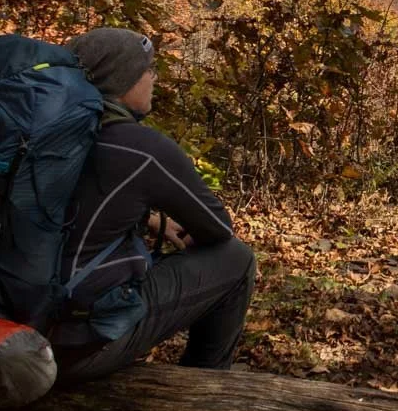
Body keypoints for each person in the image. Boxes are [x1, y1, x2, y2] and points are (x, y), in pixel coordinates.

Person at [50, 27, 254, 382]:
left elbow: (61, 207)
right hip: (76, 347)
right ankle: (205, 388)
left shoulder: (47, 134)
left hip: (9, 329)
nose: (153, 78)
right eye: (147, 70)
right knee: (237, 259)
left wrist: (148, 219)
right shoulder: (141, 148)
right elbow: (217, 228)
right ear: (124, 80)